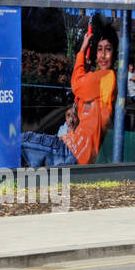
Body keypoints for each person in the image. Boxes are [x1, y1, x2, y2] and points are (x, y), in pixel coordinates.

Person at [22, 15, 118, 167]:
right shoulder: (97, 80)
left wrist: (82, 51)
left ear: (115, 53)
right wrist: (86, 71)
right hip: (70, 148)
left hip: (72, 152)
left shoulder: (107, 77)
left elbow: (76, 85)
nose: (103, 55)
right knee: (24, 144)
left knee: (20, 141)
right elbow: (81, 94)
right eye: (99, 50)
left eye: (108, 49)